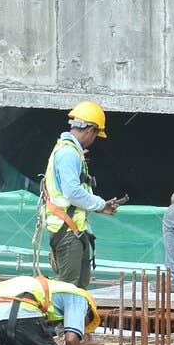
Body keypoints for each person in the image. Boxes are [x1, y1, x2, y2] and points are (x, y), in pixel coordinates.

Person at [41, 101, 119, 287]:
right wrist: (100, 204)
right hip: (67, 231)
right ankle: (63, 317)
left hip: (75, 230)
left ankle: (75, 316)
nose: (94, 139)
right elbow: (72, 192)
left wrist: (99, 207)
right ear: (90, 130)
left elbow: (75, 195)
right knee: (67, 290)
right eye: (96, 135)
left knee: (79, 289)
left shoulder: (71, 151)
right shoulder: (69, 153)